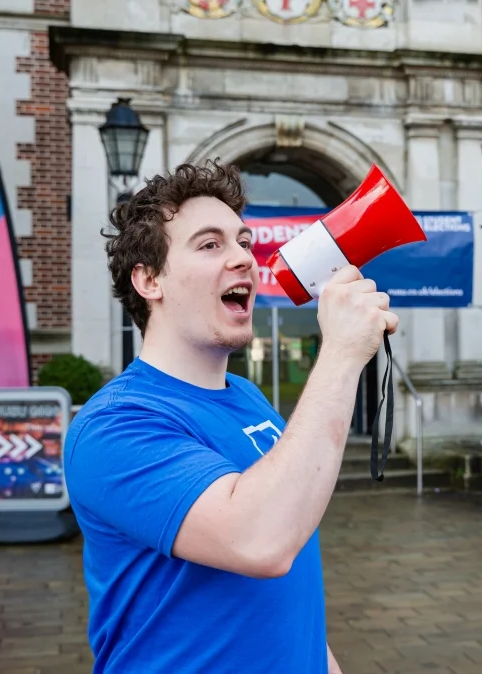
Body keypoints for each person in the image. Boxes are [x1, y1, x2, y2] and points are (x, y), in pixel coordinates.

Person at [63, 160, 398, 673]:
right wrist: (342, 353)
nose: (243, 257)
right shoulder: (113, 426)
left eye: (243, 241)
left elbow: (289, 590)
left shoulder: (245, 395)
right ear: (149, 279)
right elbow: (261, 540)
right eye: (210, 245)